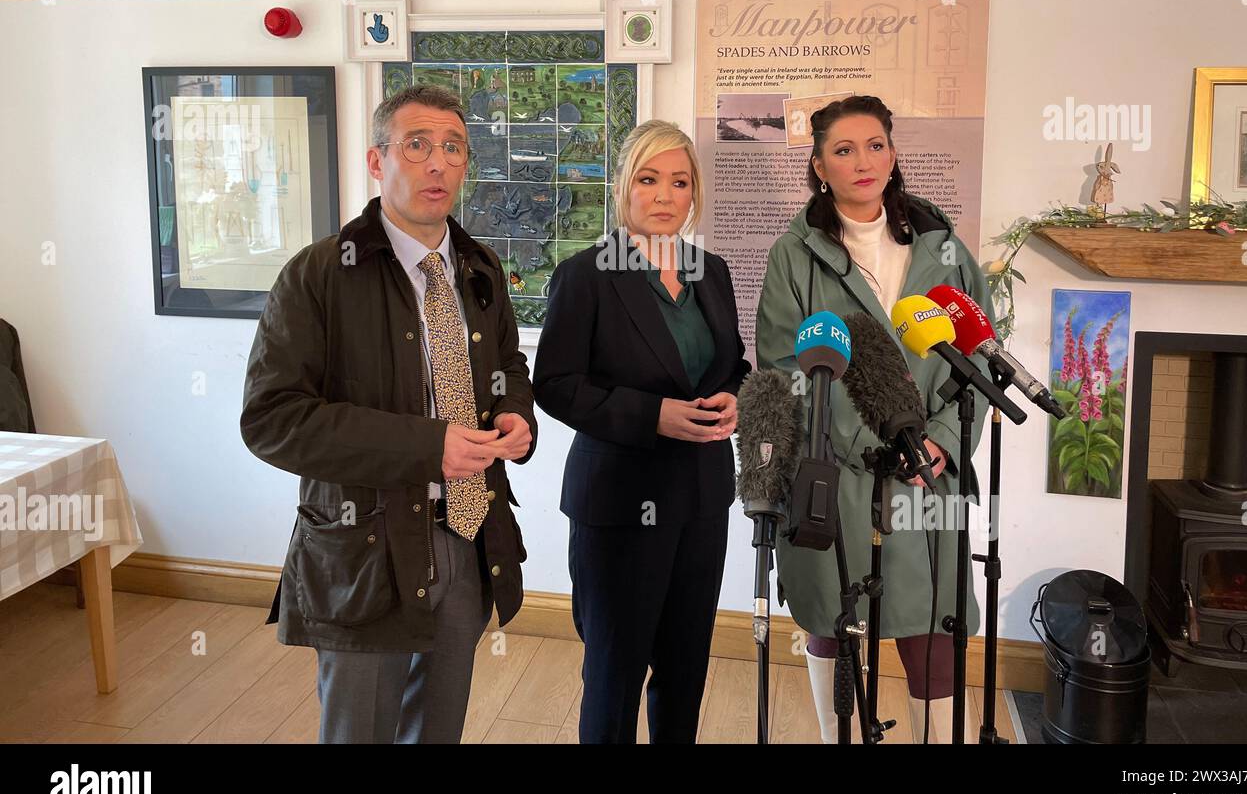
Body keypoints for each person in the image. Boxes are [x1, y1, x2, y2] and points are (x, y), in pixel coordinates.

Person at [240, 84, 537, 743]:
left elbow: (509, 367)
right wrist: (426, 446)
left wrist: (516, 413)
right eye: (417, 145)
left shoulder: (480, 268)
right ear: (378, 162)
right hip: (364, 551)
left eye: (453, 147)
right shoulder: (318, 276)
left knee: (437, 730)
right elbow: (271, 417)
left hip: (468, 533)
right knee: (361, 732)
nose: (438, 162)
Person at [755, 94, 993, 743]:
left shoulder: (944, 250)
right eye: (843, 149)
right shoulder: (793, 257)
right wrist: (872, 443)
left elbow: (980, 359)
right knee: (832, 623)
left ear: (893, 154)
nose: (863, 161)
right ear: (819, 165)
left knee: (933, 637)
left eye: (876, 145)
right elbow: (783, 372)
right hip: (835, 479)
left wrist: (939, 442)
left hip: (926, 484)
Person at [534, 120, 750, 743]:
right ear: (625, 187)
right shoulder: (586, 276)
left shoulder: (712, 271)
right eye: (649, 179)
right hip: (621, 503)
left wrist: (732, 400)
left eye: (679, 182)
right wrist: (652, 416)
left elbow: (733, 364)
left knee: (686, 667)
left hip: (703, 497)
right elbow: (556, 385)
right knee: (615, 669)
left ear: (694, 194)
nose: (664, 195)